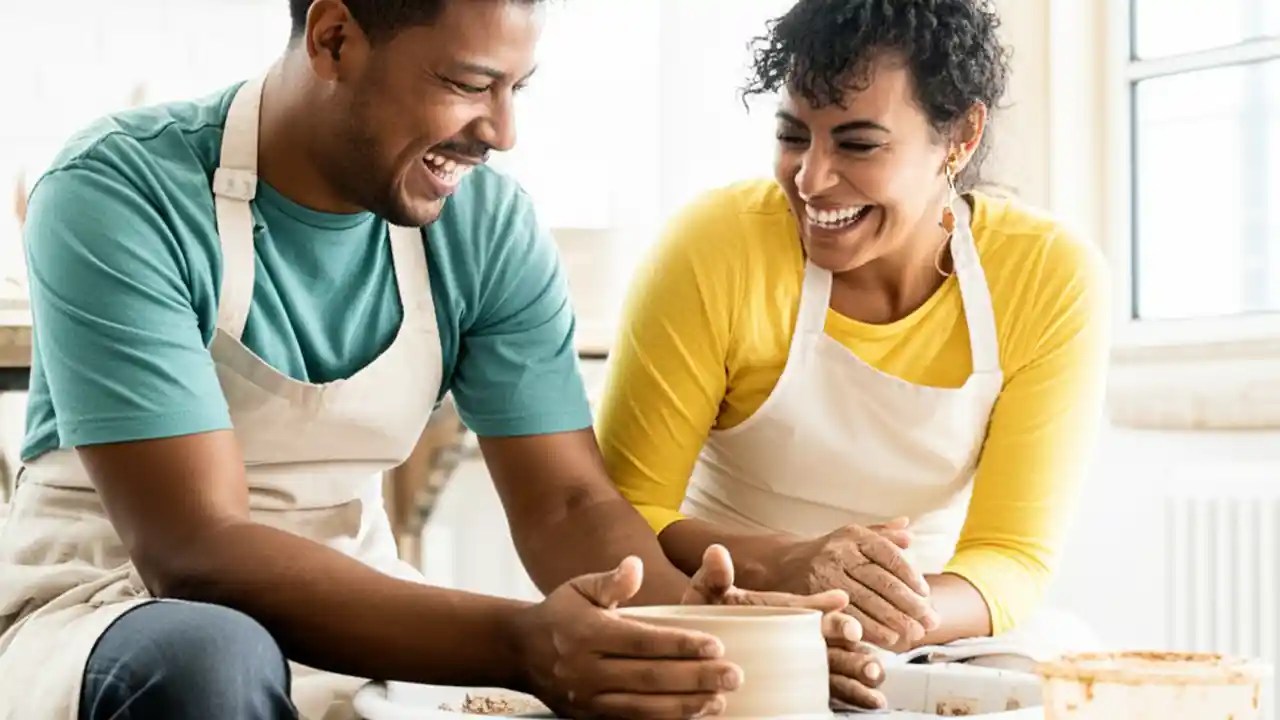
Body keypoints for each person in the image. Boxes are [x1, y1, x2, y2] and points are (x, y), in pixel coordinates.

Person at [0, 1, 886, 719]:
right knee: (210, 653)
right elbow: (194, 550)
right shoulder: (120, 193)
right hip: (108, 607)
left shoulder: (485, 226)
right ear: (334, 38)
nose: (500, 131)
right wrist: (523, 643)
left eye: (517, 88)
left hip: (366, 605)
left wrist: (684, 628)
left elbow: (569, 502)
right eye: (469, 84)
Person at [596, 0, 1111, 667]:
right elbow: (625, 512)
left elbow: (1013, 556)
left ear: (960, 136)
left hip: (933, 617)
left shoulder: (1047, 274)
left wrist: (873, 621)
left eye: (858, 143)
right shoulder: (715, 249)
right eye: (792, 136)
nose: (811, 178)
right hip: (728, 603)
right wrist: (788, 572)